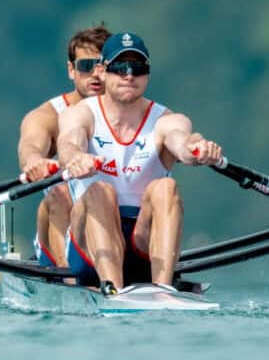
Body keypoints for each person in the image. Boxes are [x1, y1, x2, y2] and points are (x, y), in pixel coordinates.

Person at [57, 31, 222, 290]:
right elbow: (68, 142)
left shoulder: (166, 119)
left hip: (144, 244)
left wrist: (196, 149)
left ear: (147, 73)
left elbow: (182, 141)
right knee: (101, 191)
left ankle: (164, 290)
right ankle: (113, 288)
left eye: (138, 67)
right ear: (101, 71)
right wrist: (76, 158)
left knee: (166, 188)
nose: (129, 75)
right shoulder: (81, 115)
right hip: (88, 248)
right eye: (120, 67)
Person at [17, 25, 111, 267]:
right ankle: (69, 278)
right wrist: (34, 162)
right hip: (62, 223)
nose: (96, 75)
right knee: (59, 193)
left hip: (111, 223)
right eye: (86, 66)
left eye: (103, 66)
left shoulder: (133, 114)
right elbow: (30, 146)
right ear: (71, 70)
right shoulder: (48, 115)